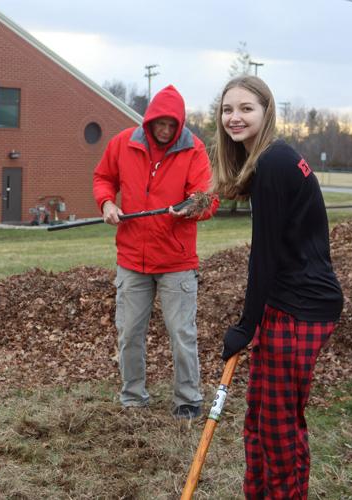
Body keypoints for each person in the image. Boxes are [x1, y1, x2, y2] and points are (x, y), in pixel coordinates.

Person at [213, 75, 343, 499]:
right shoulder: (274, 158)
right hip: (289, 301)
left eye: (246, 108)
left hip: (301, 308)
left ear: (267, 112)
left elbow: (263, 256)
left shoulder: (273, 163)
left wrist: (246, 326)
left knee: (279, 425)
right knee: (260, 419)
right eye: (227, 109)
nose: (235, 117)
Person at [93, 84, 218, 419]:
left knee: (182, 333)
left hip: (176, 261)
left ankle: (188, 399)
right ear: (148, 121)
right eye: (159, 124)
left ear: (180, 125)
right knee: (129, 332)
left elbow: (207, 196)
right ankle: (133, 397)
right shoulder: (123, 143)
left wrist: (191, 207)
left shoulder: (194, 150)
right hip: (132, 260)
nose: (164, 131)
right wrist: (107, 203)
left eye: (171, 125)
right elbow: (103, 177)